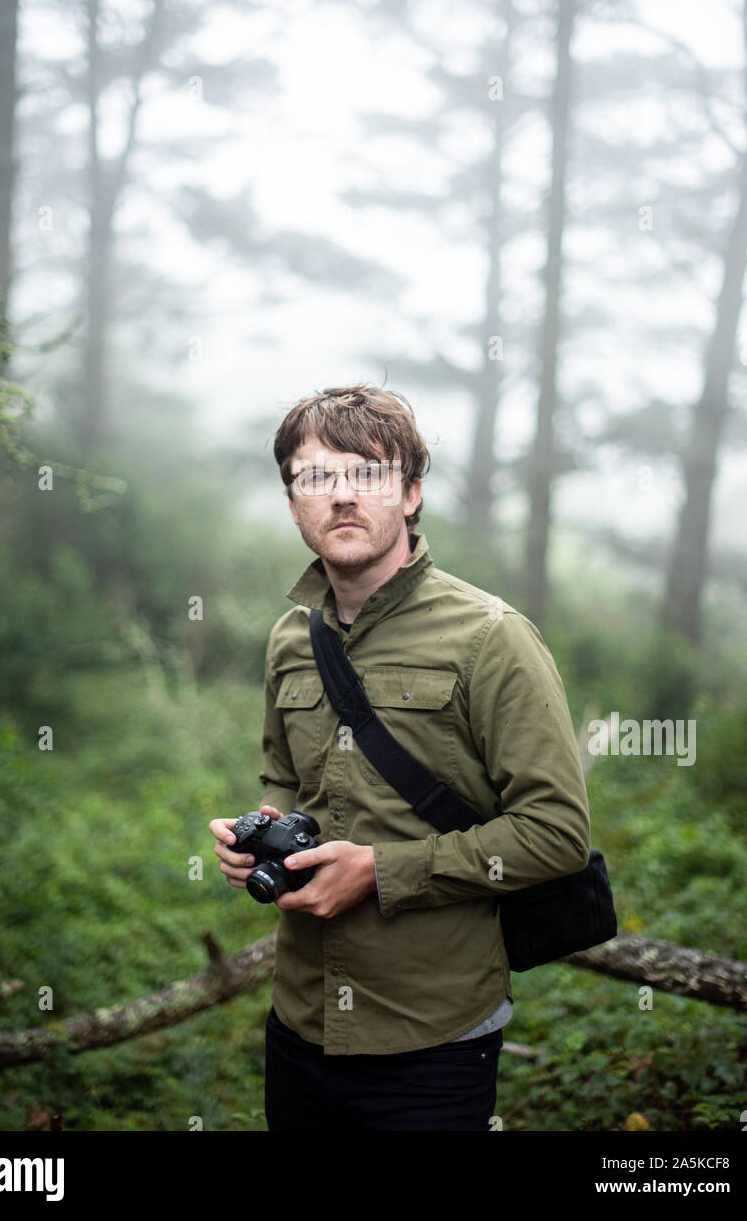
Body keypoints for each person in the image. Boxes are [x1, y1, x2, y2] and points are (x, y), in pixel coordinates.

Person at [210, 384, 591, 1131]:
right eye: (315, 477)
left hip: (432, 1036)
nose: (341, 497)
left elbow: (555, 832)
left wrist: (379, 873)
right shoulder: (291, 638)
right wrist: (262, 830)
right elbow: (285, 778)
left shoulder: (492, 637)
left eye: (368, 474)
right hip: (299, 1018)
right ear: (293, 502)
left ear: (411, 493)